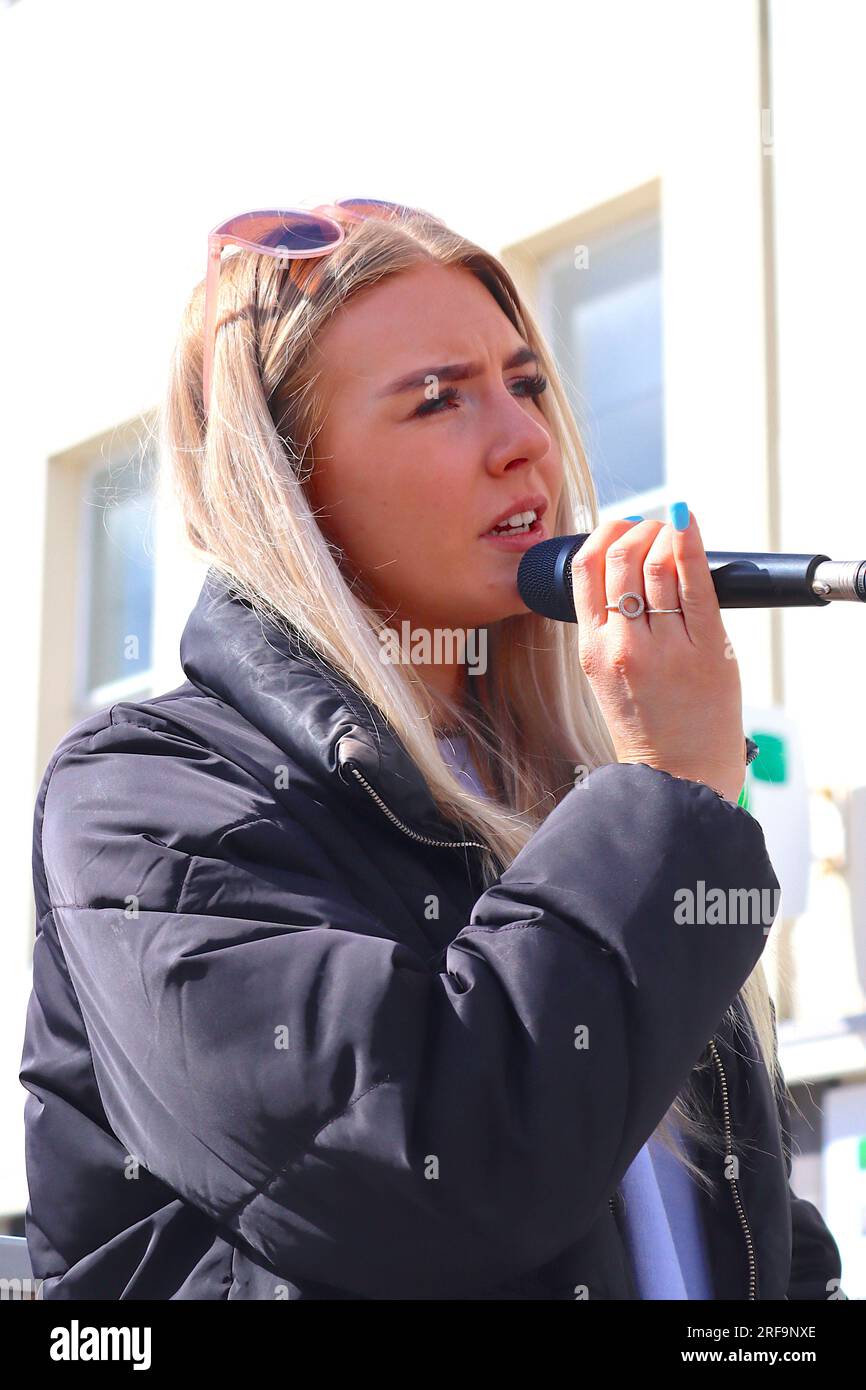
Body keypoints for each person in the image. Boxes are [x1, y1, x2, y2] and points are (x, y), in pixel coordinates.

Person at [20, 201, 844, 1300]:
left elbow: (743, 1231)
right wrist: (668, 789)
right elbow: (434, 1170)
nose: (524, 441)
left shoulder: (576, 802)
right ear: (290, 480)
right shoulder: (147, 796)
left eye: (527, 384)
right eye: (438, 399)